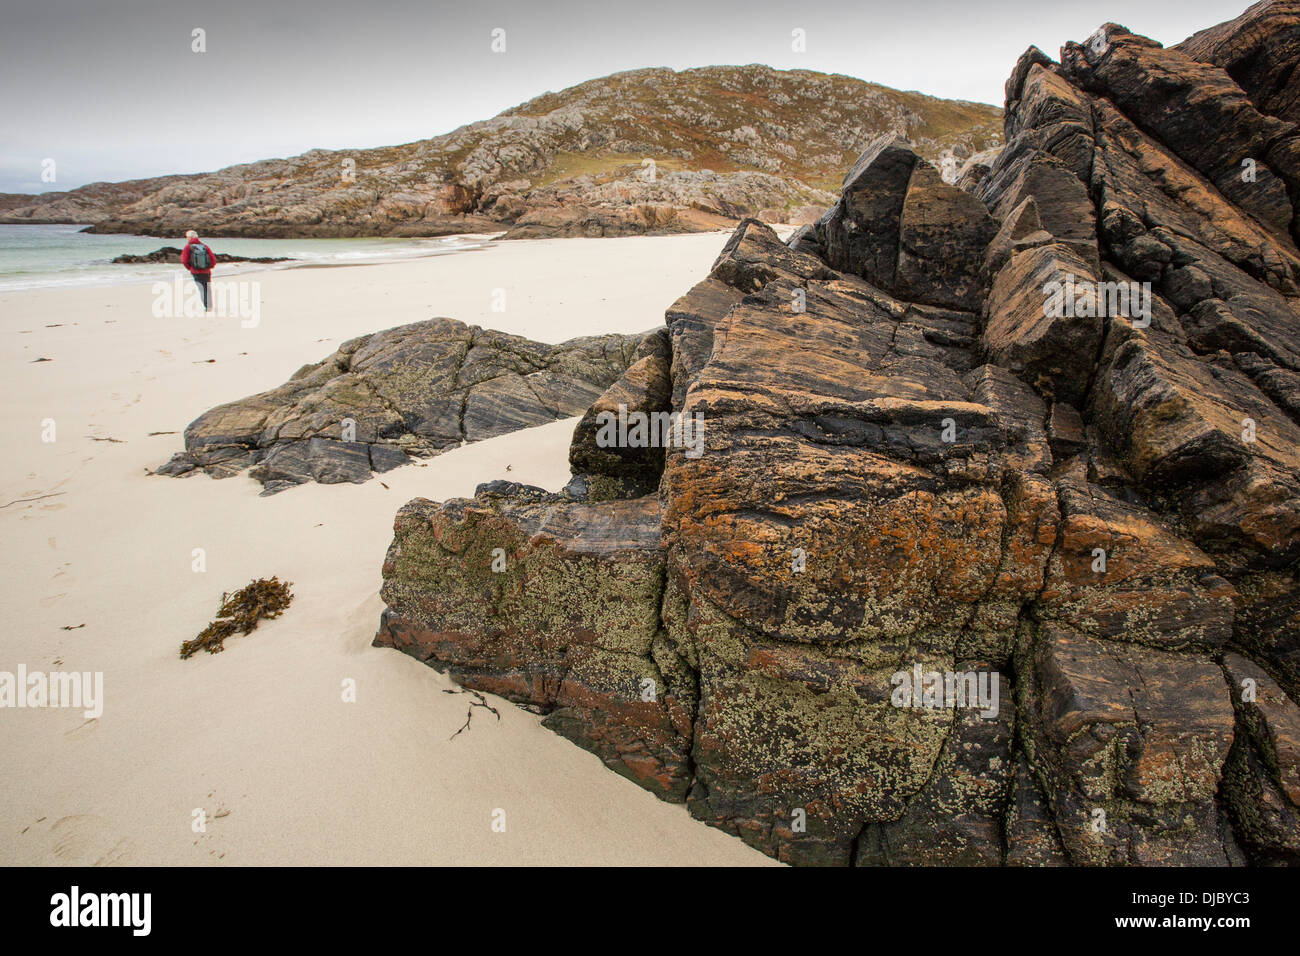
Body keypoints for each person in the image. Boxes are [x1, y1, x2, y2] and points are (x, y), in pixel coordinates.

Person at [181, 230, 217, 312]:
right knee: (207, 288)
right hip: (206, 271)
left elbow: (184, 260)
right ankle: (209, 306)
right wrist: (210, 267)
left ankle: (207, 306)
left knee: (201, 289)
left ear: (189, 238)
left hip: (196, 271)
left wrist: (190, 268)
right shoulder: (205, 246)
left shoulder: (188, 247)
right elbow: (213, 259)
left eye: (187, 237)